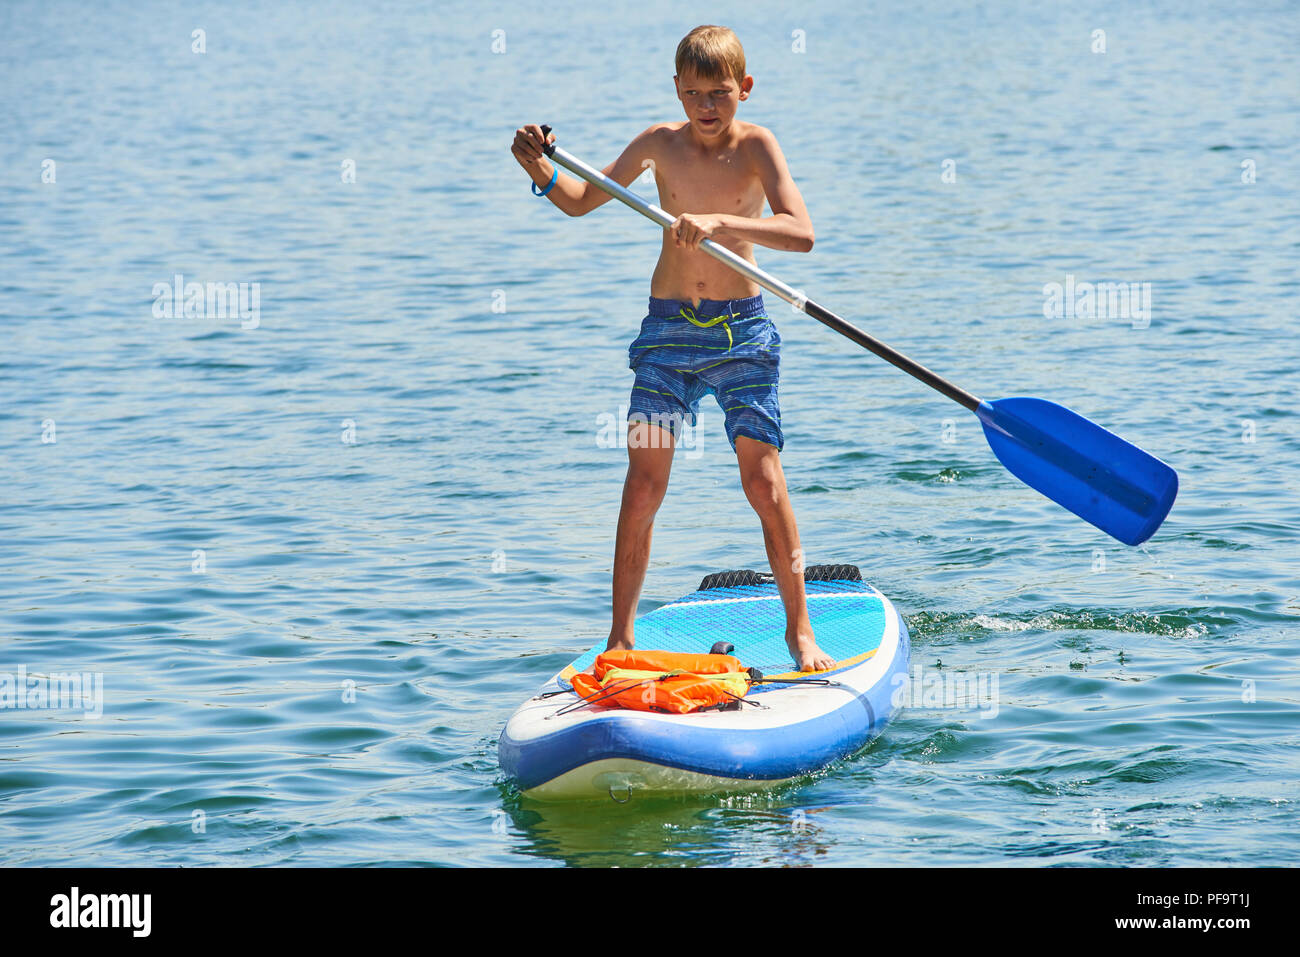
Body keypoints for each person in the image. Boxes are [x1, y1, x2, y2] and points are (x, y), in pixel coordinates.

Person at [510, 24, 834, 671]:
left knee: (763, 482)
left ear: (745, 88)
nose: (707, 109)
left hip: (743, 335)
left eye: (719, 93)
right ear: (678, 92)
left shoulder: (757, 148)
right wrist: (537, 167)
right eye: (694, 95)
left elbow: (800, 234)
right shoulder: (659, 143)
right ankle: (620, 640)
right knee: (643, 483)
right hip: (668, 337)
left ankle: (802, 635)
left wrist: (721, 224)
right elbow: (579, 200)